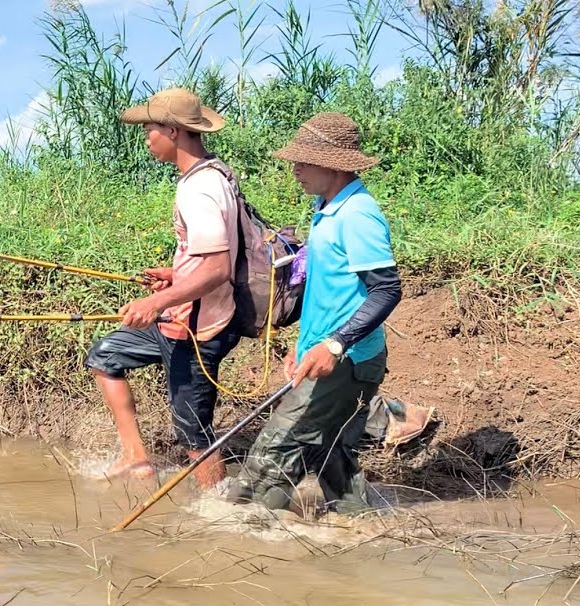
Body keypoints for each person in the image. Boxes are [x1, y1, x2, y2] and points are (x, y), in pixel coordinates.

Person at [223, 112, 432, 515]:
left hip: (347, 360)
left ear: (333, 165)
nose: (295, 170)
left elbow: (387, 290)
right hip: (332, 354)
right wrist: (303, 345)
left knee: (273, 454)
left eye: (304, 162)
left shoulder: (357, 215)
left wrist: (334, 345)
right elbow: (329, 291)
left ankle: (242, 530)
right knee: (330, 454)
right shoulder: (327, 207)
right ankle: (362, 526)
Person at [83, 88, 240, 491]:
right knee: (104, 356)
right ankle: (136, 458)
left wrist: (157, 300)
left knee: (193, 432)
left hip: (198, 327)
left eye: (149, 130)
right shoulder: (215, 173)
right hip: (180, 315)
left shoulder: (199, 188)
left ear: (172, 131)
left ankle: (218, 507)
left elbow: (219, 268)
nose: (146, 138)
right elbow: (213, 255)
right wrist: (175, 275)